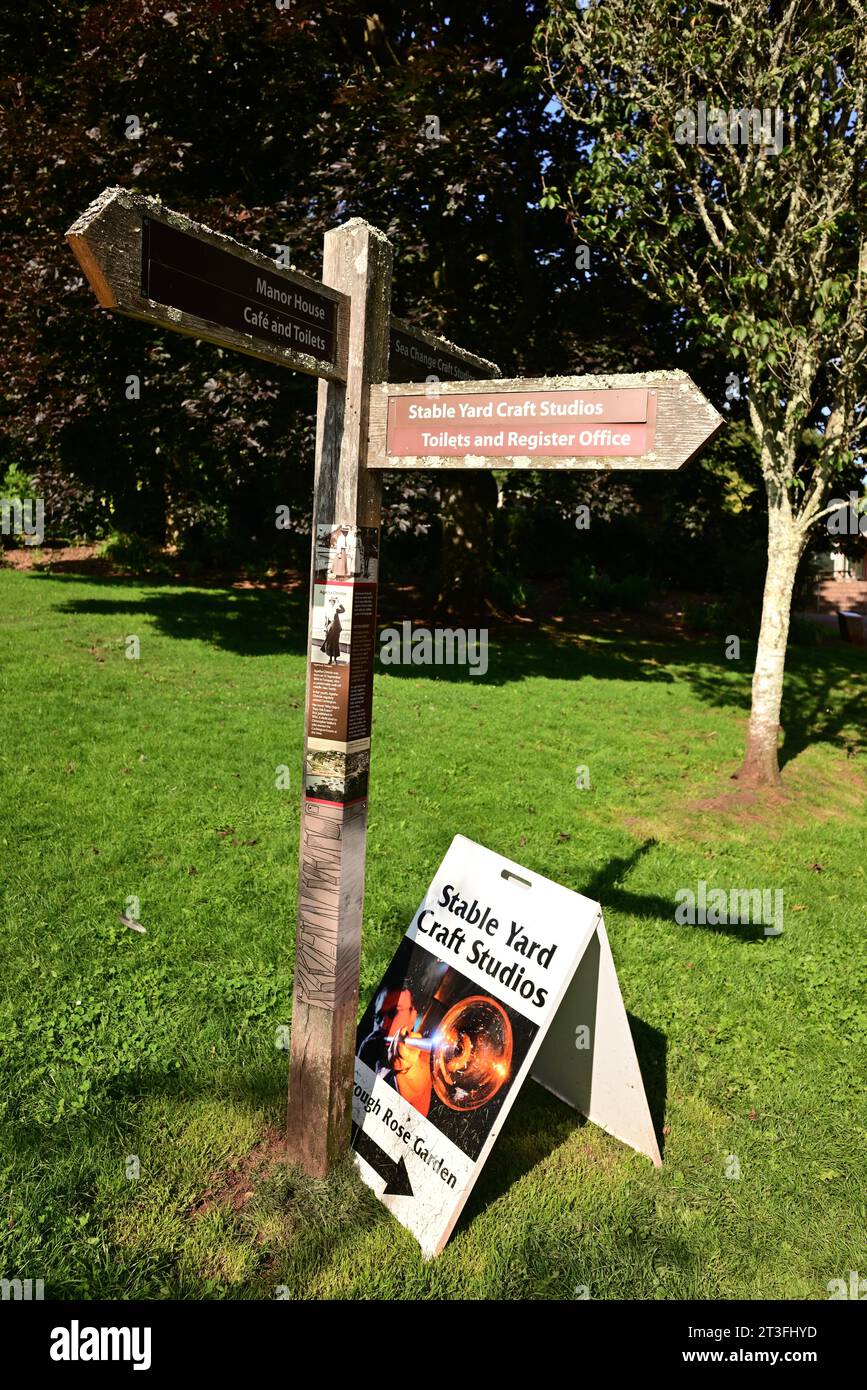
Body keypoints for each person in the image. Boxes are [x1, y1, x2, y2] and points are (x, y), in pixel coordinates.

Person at [357, 982, 433, 1116]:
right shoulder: (369, 1046)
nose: (384, 1024)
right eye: (379, 1017)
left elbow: (418, 1085)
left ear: (412, 1016)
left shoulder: (423, 1061)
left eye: (394, 1012)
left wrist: (405, 1069)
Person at [321, 597, 345, 662]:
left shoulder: (336, 609)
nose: (332, 602)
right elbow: (326, 620)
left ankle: (335, 659)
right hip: (329, 628)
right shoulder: (327, 610)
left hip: (336, 628)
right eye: (331, 601)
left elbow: (343, 610)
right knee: (329, 643)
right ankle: (330, 658)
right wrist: (325, 628)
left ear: (334, 602)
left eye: (333, 601)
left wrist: (338, 601)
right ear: (329, 602)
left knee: (335, 643)